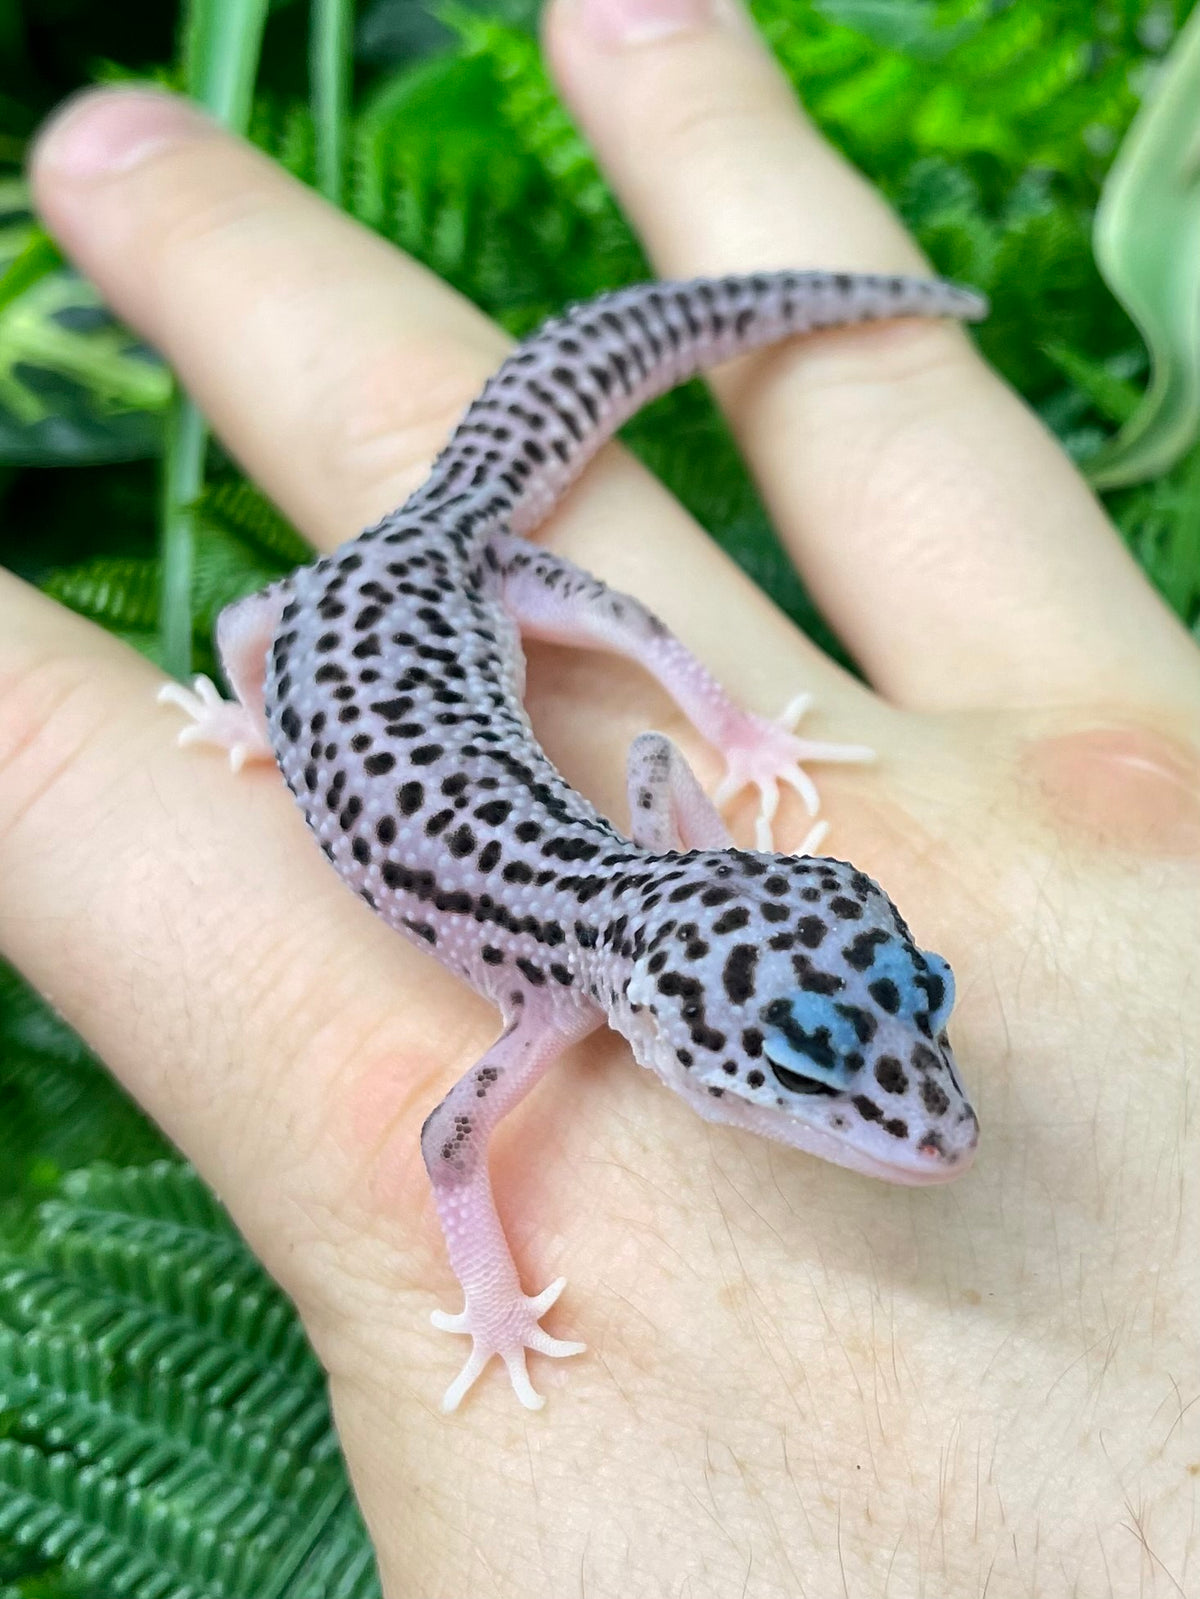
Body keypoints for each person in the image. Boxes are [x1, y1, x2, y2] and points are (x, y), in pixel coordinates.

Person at [4, 0, 1198, 1591]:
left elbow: (646, 777)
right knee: (317, 628)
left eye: (903, 1012)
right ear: (657, 1014)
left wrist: (729, 747)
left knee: (552, 643)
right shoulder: (552, 991)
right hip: (429, 584)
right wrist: (488, 1303)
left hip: (432, 592)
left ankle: (814, 318)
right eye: (814, 1069)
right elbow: (444, 1148)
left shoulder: (634, 915)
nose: (920, 1109)